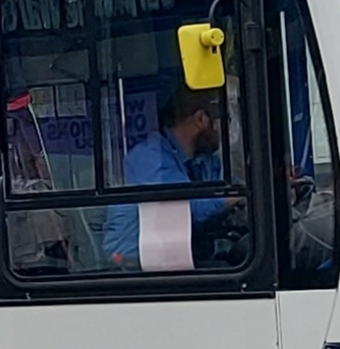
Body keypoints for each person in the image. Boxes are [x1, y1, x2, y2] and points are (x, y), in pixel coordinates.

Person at [102, 87, 241, 271]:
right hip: (134, 265)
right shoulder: (150, 156)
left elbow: (229, 187)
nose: (224, 133)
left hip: (180, 256)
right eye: (224, 121)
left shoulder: (205, 161)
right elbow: (187, 208)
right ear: (201, 119)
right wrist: (237, 195)